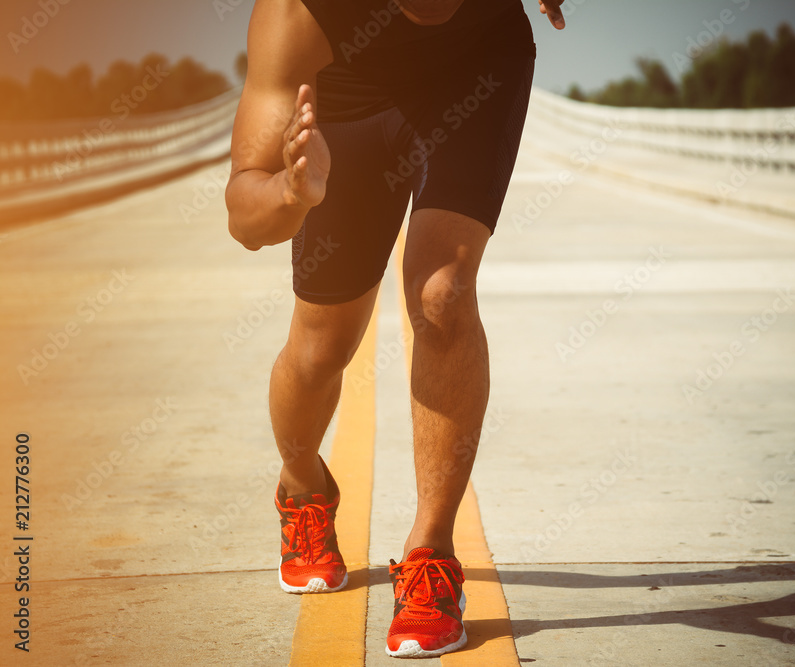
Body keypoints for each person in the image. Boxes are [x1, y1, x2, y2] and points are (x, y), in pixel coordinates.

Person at [226, 0, 566, 658]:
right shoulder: (297, 16)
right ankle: (301, 486)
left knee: (442, 295)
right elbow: (245, 215)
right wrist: (293, 193)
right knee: (321, 346)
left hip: (478, 73)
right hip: (346, 107)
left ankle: (430, 554)